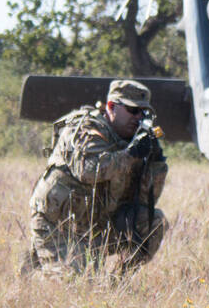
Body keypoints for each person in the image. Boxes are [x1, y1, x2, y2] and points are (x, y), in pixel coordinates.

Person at [26, 79, 168, 278]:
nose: (138, 117)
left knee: (154, 221)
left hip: (95, 226)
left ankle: (117, 284)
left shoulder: (133, 139)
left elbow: (146, 201)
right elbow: (88, 170)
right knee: (73, 286)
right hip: (59, 225)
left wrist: (156, 163)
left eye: (143, 112)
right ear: (111, 107)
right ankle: (38, 270)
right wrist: (131, 155)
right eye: (132, 110)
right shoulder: (86, 129)